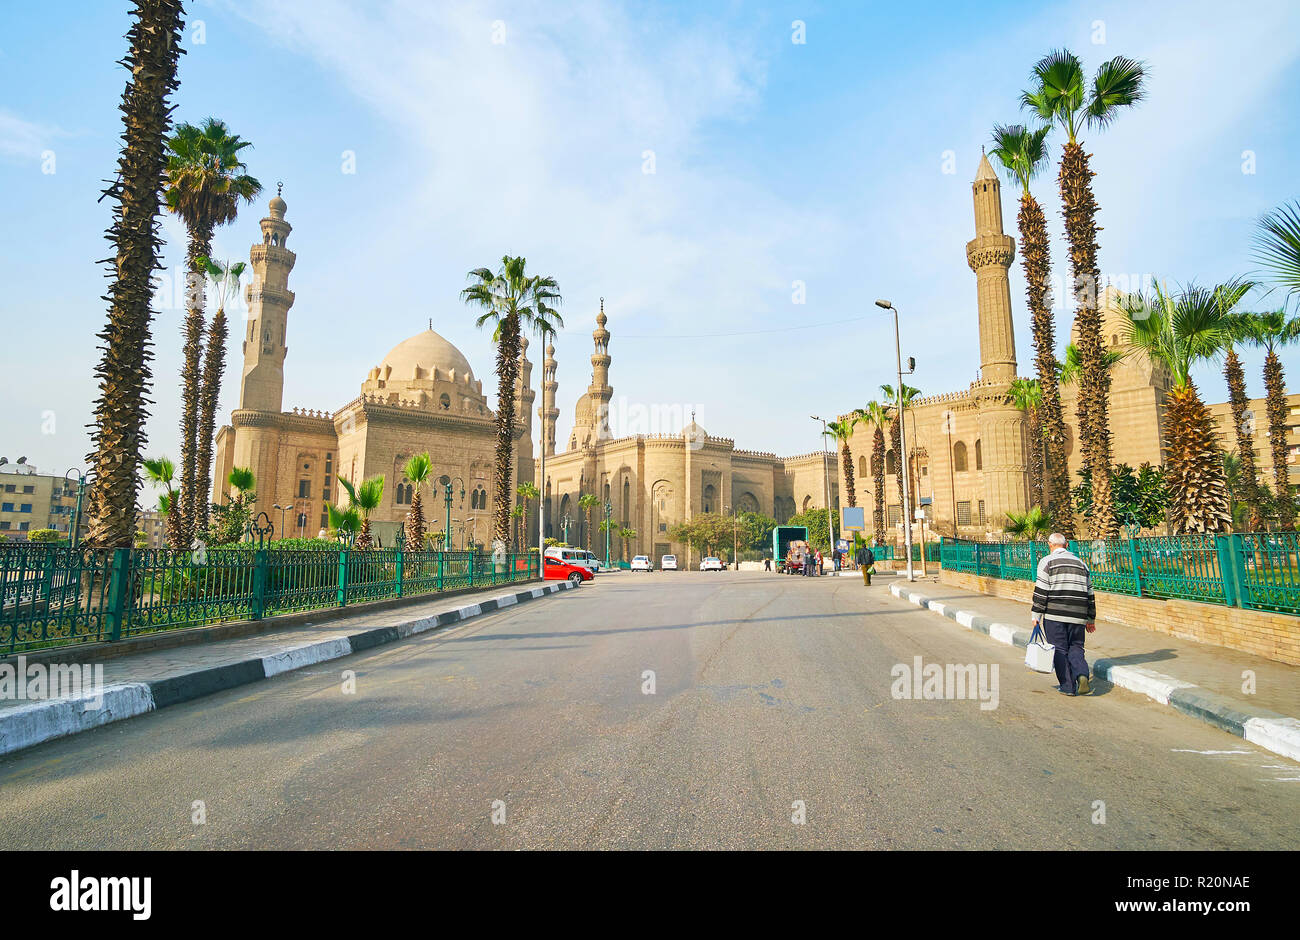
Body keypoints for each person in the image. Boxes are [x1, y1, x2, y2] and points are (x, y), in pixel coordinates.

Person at [1030, 532, 1097, 696]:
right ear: (1066, 545)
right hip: (1078, 615)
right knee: (1076, 646)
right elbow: (1090, 593)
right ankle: (1082, 674)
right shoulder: (1081, 564)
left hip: (1055, 615)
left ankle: (1067, 686)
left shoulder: (1047, 562)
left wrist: (1036, 615)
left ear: (1050, 545)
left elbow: (1042, 590)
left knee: (1059, 649)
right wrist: (1090, 618)